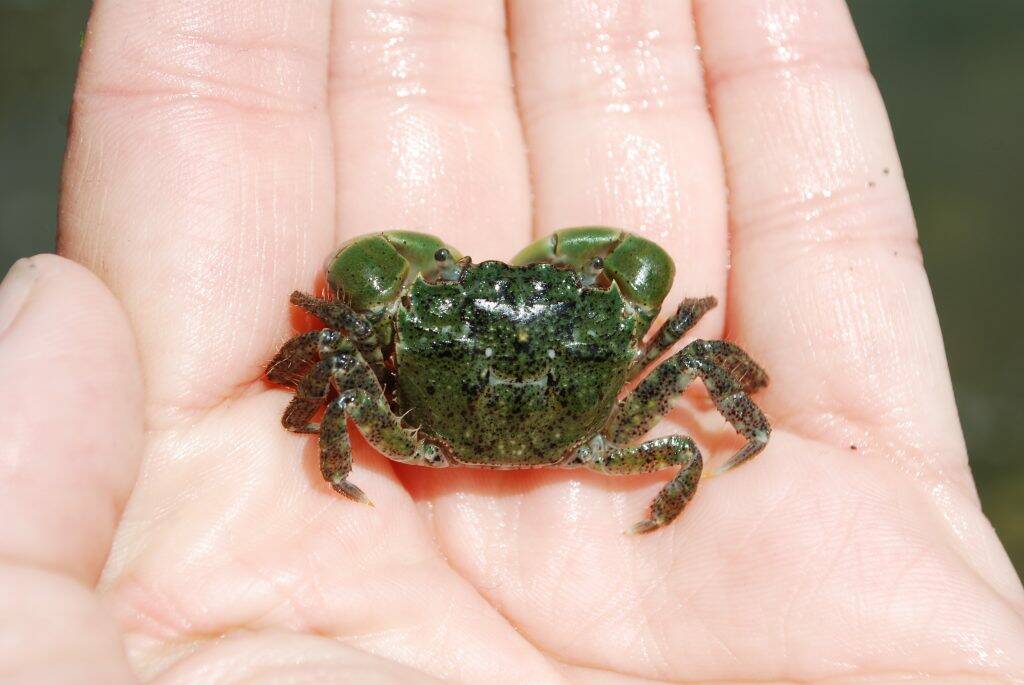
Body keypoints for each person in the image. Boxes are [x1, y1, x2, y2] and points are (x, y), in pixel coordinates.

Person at [1, 1, 1021, 682]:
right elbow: (707, 358)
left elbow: (323, 358)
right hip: (591, 439)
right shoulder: (625, 356)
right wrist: (739, 428)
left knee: (342, 359)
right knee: (695, 371)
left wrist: (319, 423)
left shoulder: (405, 347)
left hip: (420, 438)